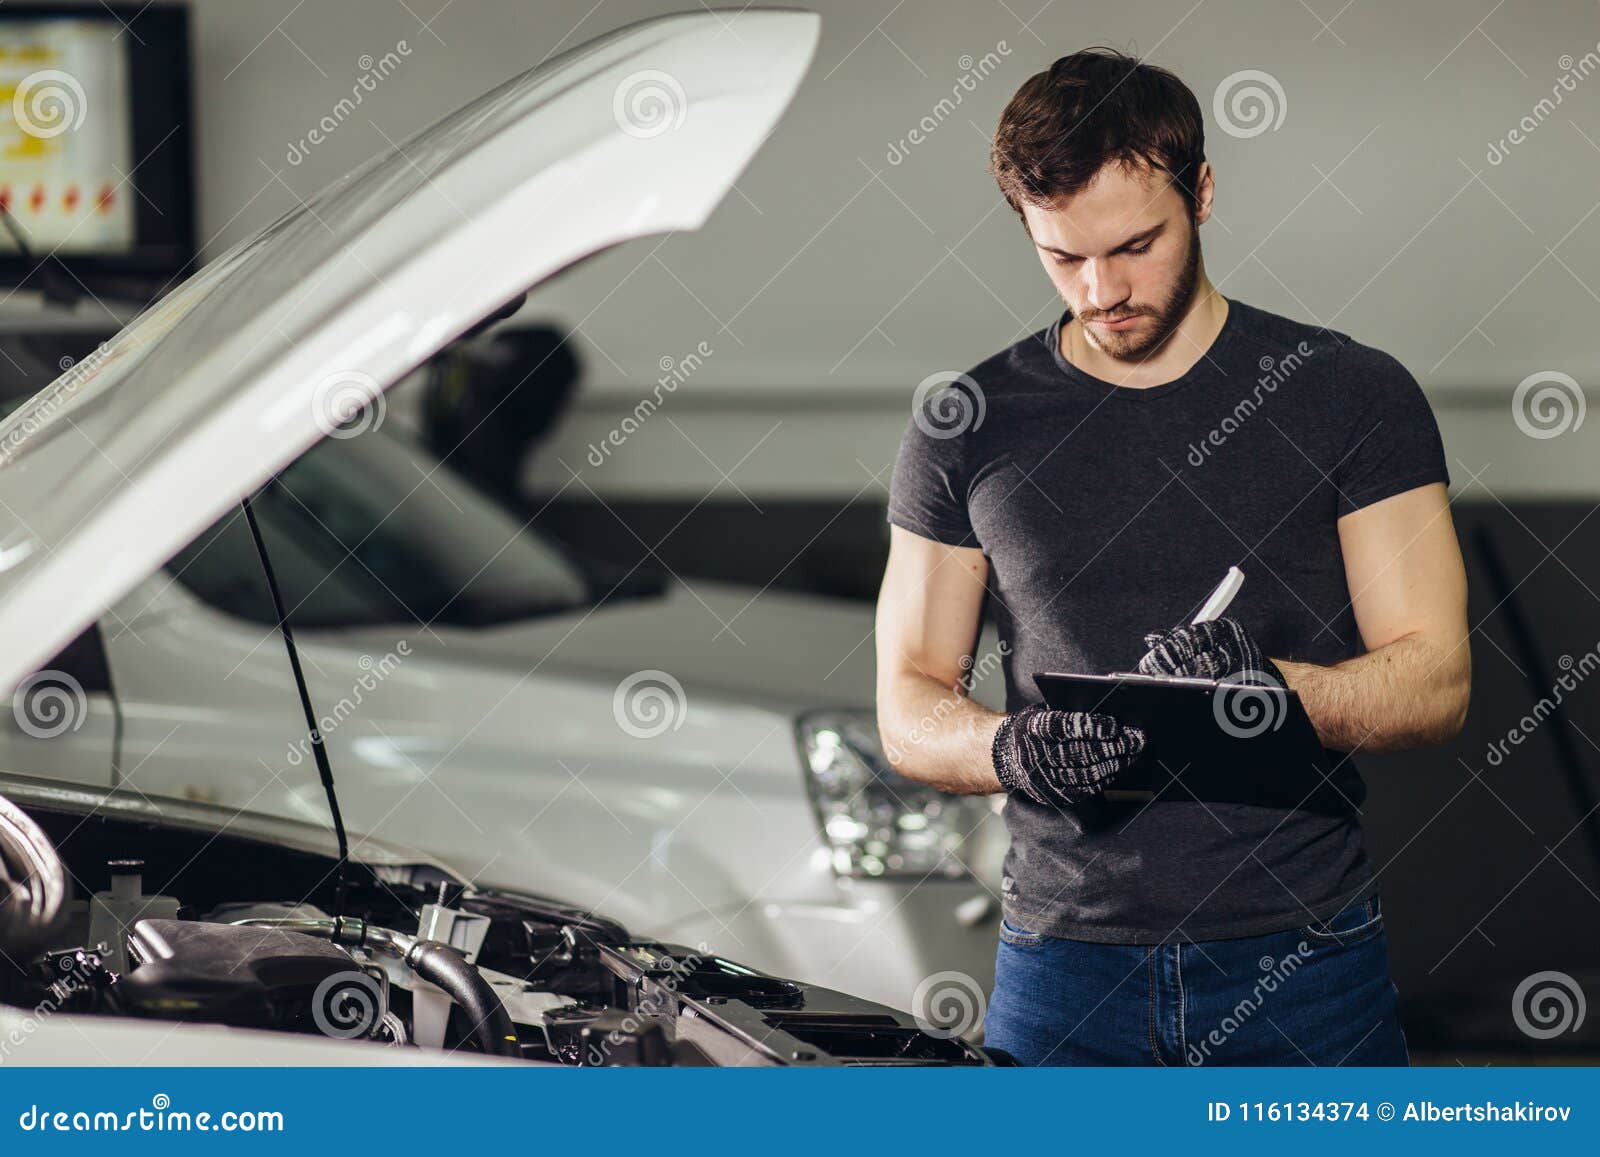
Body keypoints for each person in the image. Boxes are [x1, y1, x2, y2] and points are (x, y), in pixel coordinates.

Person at [873, 48, 1470, 1066]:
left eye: (1135, 244)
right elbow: (909, 701)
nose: (1102, 289)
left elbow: (1436, 679)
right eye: (1064, 257)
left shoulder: (1350, 395)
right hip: (1061, 960)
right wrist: (1008, 749)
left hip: (1301, 957)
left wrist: (1271, 691)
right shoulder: (965, 423)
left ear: (1200, 192)